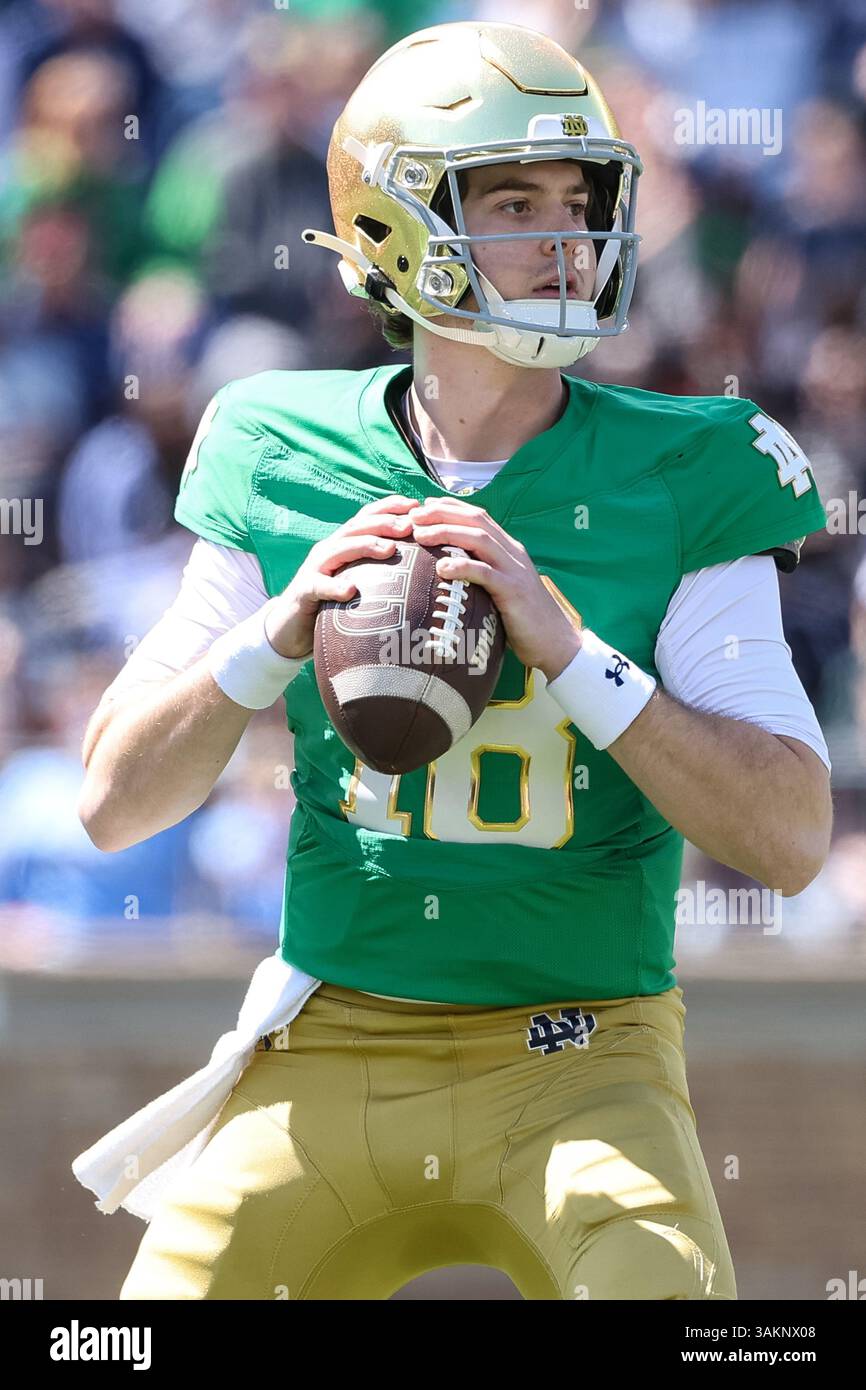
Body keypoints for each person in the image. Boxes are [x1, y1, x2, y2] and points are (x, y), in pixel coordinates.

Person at [74, 21, 832, 1300]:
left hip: (582, 1054)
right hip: (326, 1049)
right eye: (513, 200)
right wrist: (271, 638)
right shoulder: (276, 443)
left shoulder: (690, 462)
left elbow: (789, 838)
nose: (564, 235)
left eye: (578, 199)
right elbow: (110, 803)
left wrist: (576, 653)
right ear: (392, 224)